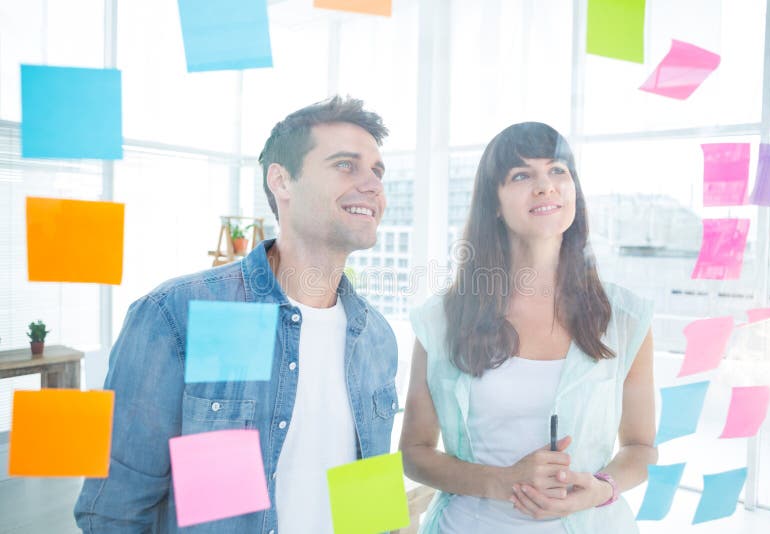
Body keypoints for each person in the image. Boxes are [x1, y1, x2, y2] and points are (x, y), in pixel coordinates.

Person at [75, 96, 400, 533]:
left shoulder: (375, 337)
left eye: (377, 171)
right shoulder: (180, 315)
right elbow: (115, 512)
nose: (372, 184)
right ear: (282, 181)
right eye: (346, 165)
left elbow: (371, 499)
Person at [400, 122, 656, 534]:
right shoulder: (443, 319)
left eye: (558, 171)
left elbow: (641, 448)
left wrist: (600, 489)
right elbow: (414, 452)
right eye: (521, 175)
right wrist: (500, 482)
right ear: (495, 203)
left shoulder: (624, 318)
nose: (545, 186)